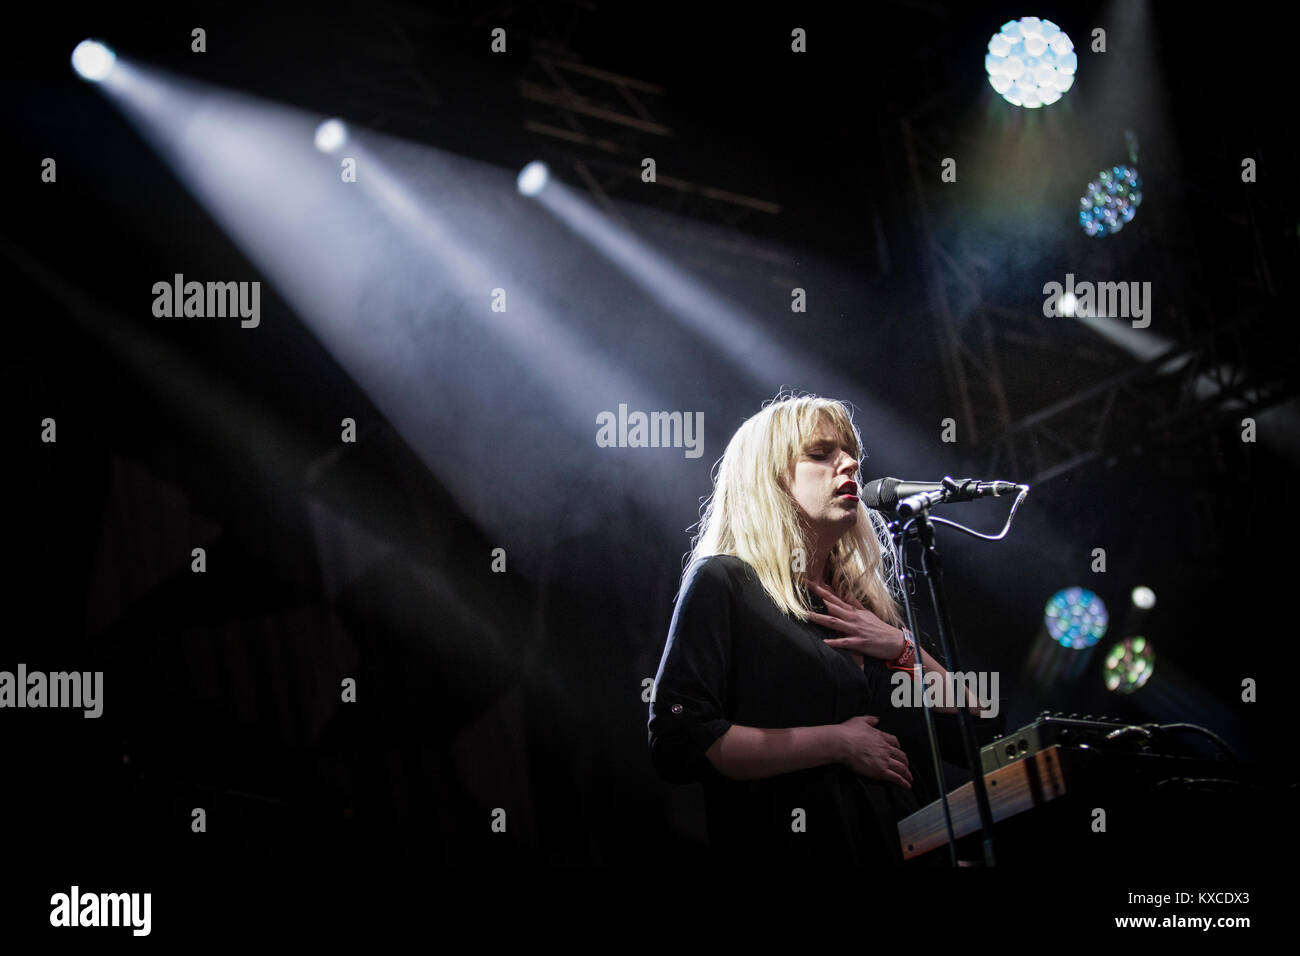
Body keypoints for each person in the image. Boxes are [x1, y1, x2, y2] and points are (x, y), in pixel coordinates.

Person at [648, 392, 991, 864]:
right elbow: (680, 740)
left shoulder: (873, 612)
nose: (849, 463)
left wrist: (903, 649)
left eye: (850, 452)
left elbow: (984, 729)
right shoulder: (725, 582)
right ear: (769, 478)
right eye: (820, 453)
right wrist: (837, 743)